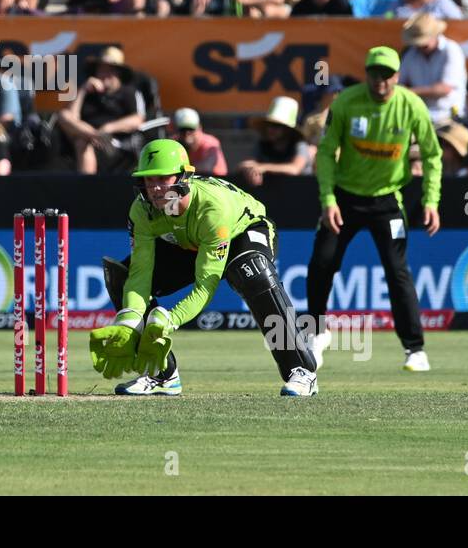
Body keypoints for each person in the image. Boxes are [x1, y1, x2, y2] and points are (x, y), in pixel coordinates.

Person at [90, 138, 319, 397]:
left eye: (162, 179)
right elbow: (140, 275)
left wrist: (170, 319)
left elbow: (206, 285)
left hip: (243, 231)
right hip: (189, 243)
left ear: (183, 177)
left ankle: (302, 371)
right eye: (148, 180)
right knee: (122, 277)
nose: (153, 189)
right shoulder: (142, 210)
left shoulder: (211, 209)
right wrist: (129, 322)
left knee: (253, 271)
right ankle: (162, 374)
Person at [305, 46, 442, 373]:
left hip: (387, 200)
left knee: (397, 271)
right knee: (322, 263)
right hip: (345, 197)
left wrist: (431, 201)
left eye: (387, 74)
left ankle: (415, 348)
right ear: (366, 73)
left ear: (397, 76)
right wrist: (328, 200)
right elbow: (325, 153)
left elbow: (433, 155)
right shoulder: (347, 103)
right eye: (374, 73)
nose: (380, 81)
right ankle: (316, 332)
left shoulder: (411, 106)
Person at [57, 46, 145, 175]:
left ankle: (87, 187)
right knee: (64, 116)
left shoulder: (128, 92)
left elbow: (137, 119)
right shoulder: (88, 93)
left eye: (109, 70)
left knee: (82, 143)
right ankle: (95, 136)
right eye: (101, 70)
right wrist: (82, 91)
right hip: (87, 137)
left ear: (118, 73)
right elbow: (71, 118)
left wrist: (108, 128)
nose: (105, 74)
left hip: (114, 143)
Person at [399, 13, 468, 125]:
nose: (420, 45)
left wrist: (409, 92)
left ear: (435, 35)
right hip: (419, 117)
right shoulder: (411, 54)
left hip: (449, 118)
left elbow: (444, 89)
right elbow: (399, 82)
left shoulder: (452, 50)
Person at [238, 96, 310, 187]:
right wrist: (249, 170)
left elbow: (294, 169)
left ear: (288, 129)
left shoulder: (300, 145)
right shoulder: (262, 145)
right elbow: (246, 164)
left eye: (276, 126)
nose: (270, 129)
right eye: (269, 124)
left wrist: (263, 167)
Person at [172, 107, 226, 176]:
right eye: (183, 129)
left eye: (191, 129)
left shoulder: (210, 143)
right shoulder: (174, 143)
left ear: (199, 127)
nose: (187, 133)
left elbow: (206, 168)